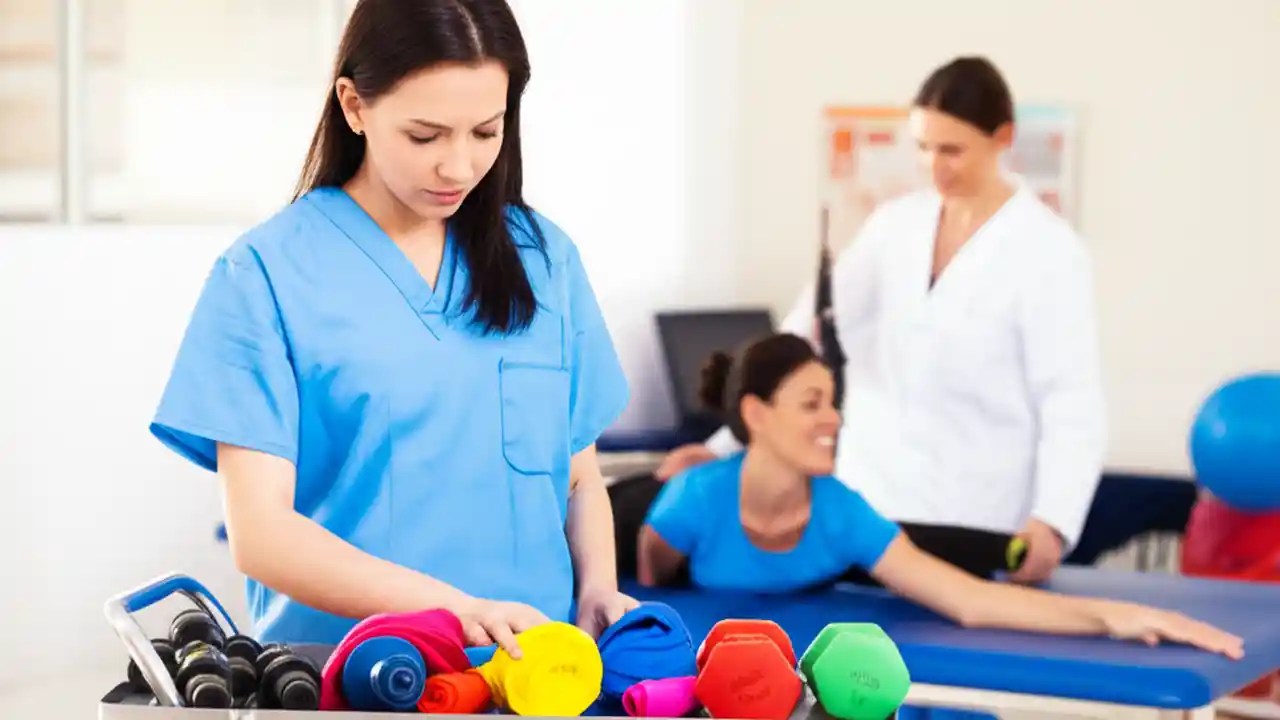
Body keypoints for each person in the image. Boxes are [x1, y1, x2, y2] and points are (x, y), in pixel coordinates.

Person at [148, 0, 636, 658]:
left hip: (533, 678)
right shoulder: (265, 273)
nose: (459, 167)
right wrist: (458, 612)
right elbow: (262, 535)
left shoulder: (544, 259)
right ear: (354, 106)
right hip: (345, 680)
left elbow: (578, 478)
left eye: (485, 132)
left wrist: (598, 589)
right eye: (425, 136)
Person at [657, 56, 1106, 584]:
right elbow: (799, 345)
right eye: (923, 147)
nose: (935, 166)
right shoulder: (894, 226)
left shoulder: (1049, 251)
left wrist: (1052, 521)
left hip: (977, 515)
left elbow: (1071, 401)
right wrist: (723, 445)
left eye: (952, 150)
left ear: (1002, 137)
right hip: (867, 508)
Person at [638, 334, 1244, 660]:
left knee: (927, 545)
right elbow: (651, 580)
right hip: (640, 511)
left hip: (825, 579)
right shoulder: (693, 501)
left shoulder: (840, 512)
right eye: (812, 404)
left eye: (834, 401)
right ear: (756, 414)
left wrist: (1114, 616)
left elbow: (970, 602)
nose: (835, 419)